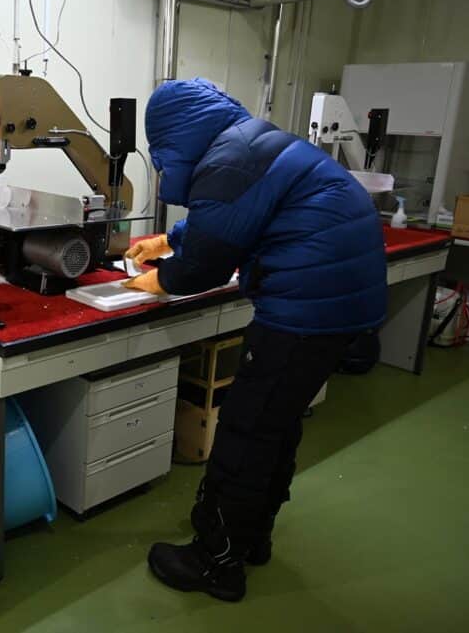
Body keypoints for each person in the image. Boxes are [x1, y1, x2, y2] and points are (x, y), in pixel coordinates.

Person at [124, 78, 387, 602]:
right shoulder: (246, 141)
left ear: (173, 139)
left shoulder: (228, 161)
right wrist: (170, 239)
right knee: (275, 424)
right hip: (339, 303)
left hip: (304, 309)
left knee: (246, 431)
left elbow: (206, 263)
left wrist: (165, 278)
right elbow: (241, 213)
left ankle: (215, 562)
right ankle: (251, 537)